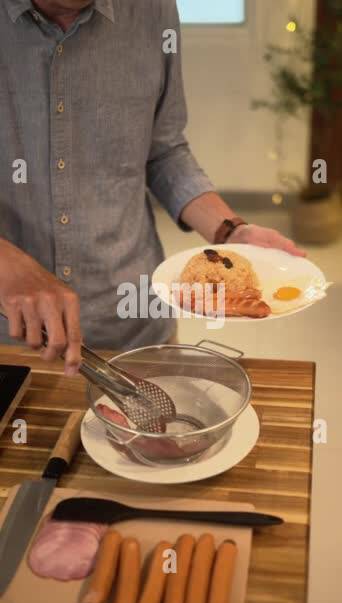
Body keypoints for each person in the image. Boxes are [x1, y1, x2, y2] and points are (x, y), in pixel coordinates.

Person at [0, 0, 305, 376]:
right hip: (12, 345)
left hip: (135, 327)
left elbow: (164, 150)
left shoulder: (153, 10)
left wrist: (231, 230)